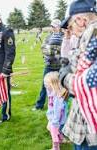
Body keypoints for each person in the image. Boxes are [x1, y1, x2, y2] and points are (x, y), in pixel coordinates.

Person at [59, 0, 97, 149]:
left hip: (89, 130)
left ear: (81, 21)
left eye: (70, 25)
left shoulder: (92, 35)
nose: (70, 30)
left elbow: (88, 84)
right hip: (83, 125)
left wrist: (63, 77)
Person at [32, 19, 63, 111]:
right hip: (49, 65)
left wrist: (51, 50)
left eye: (55, 26)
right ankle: (39, 105)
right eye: (52, 26)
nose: (53, 28)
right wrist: (52, 51)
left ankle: (60, 105)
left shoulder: (64, 36)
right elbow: (43, 49)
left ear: (59, 27)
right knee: (44, 86)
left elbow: (63, 50)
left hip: (60, 66)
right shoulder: (48, 37)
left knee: (61, 86)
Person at [44, 72, 68, 150]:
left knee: (53, 131)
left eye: (47, 83)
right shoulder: (51, 91)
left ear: (53, 84)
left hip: (56, 118)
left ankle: (56, 147)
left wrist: (55, 122)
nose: (45, 85)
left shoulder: (58, 97)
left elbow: (58, 110)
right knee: (52, 128)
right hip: (53, 116)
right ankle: (61, 139)